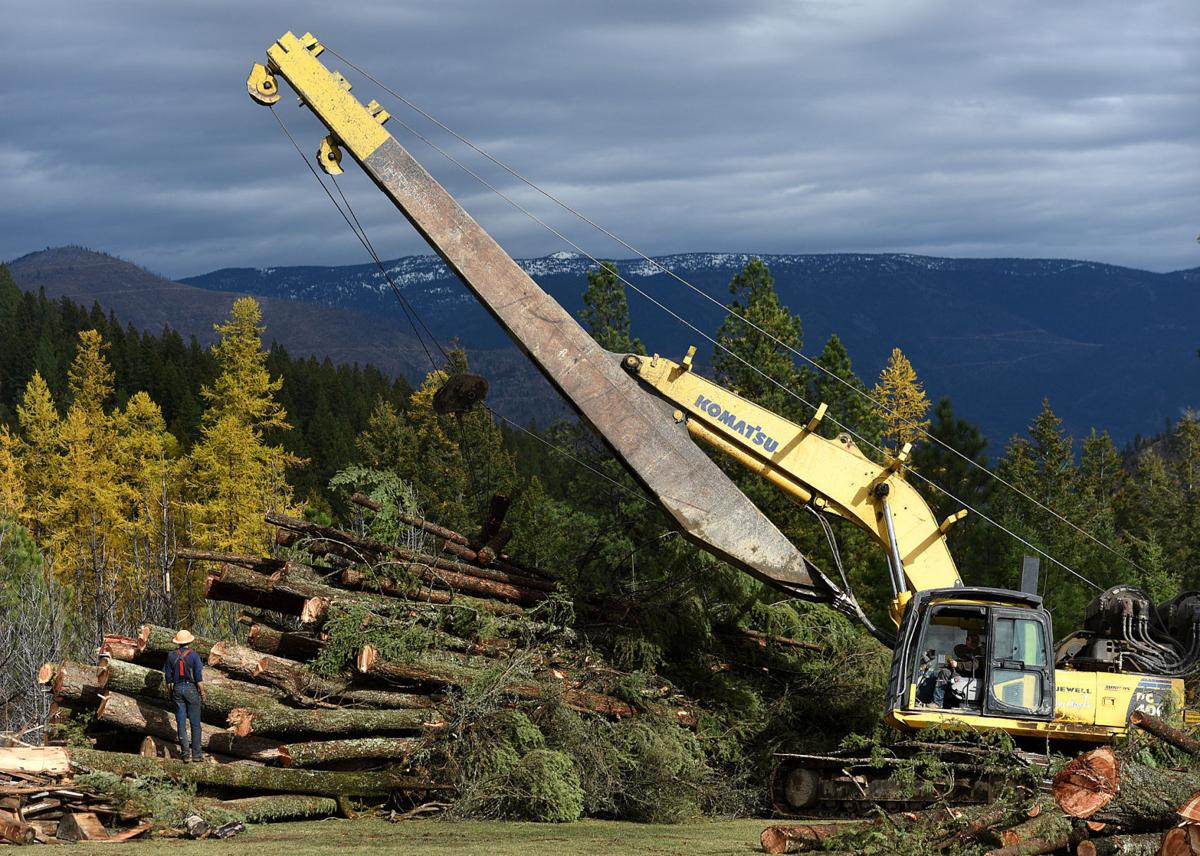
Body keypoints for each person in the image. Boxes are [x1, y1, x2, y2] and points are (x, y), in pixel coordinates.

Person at [163, 629, 205, 763]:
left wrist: (172, 691)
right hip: (191, 688)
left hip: (177, 689)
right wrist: (202, 692)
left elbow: (168, 678)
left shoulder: (170, 656)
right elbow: (198, 677)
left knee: (181, 723)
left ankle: (185, 754)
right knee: (195, 724)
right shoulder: (194, 656)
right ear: (189, 642)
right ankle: (197, 755)